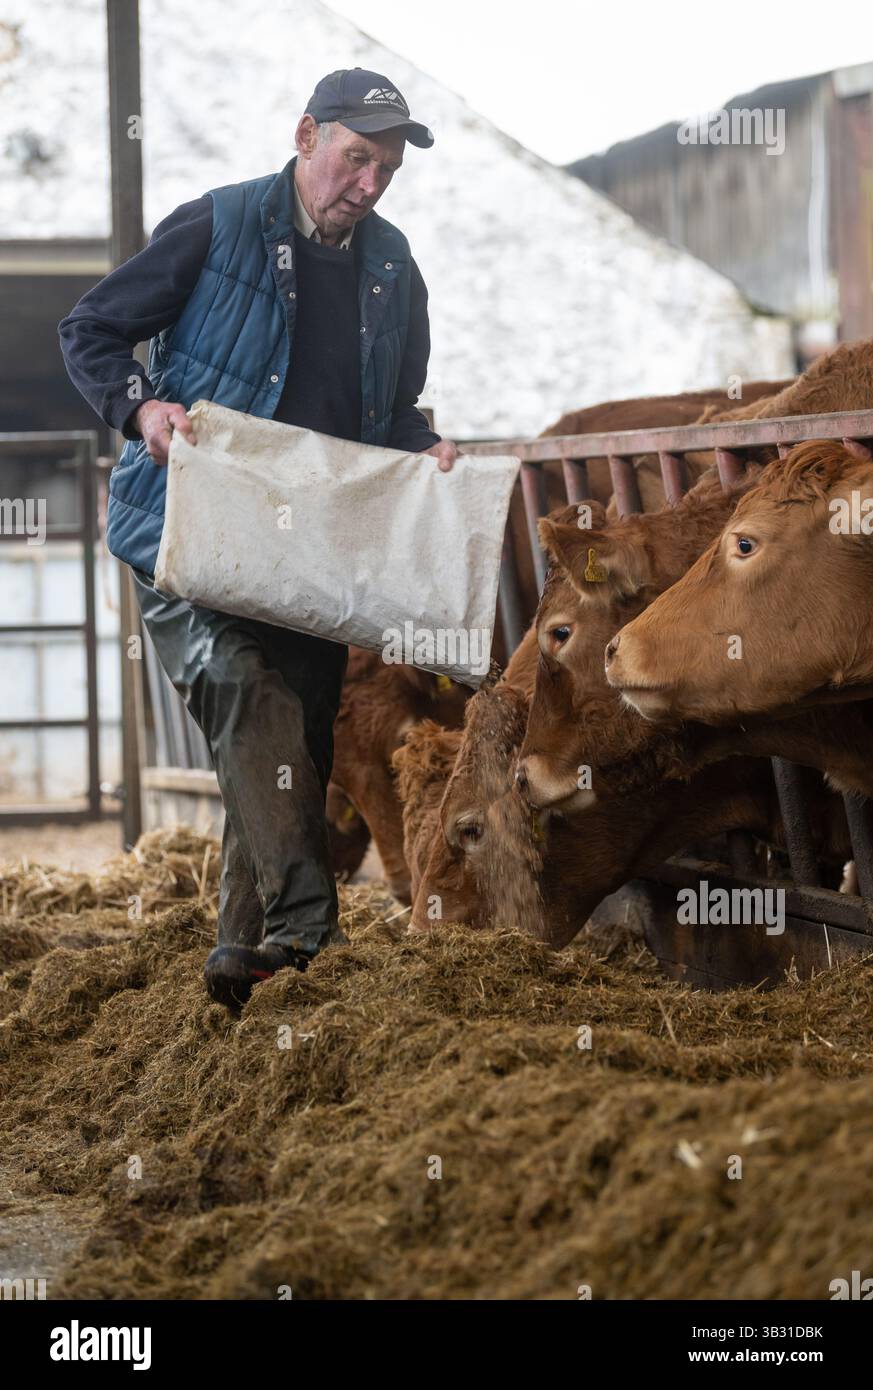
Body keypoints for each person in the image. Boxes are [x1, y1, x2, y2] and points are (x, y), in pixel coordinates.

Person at [59, 67, 458, 1008]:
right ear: (305, 135)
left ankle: (243, 966)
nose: (367, 183)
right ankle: (311, 925)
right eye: (356, 158)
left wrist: (427, 447)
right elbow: (93, 328)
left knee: (288, 746)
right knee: (239, 684)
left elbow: (393, 409)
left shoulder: (393, 269)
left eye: (386, 169)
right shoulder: (219, 222)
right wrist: (139, 408)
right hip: (186, 526)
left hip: (308, 551)